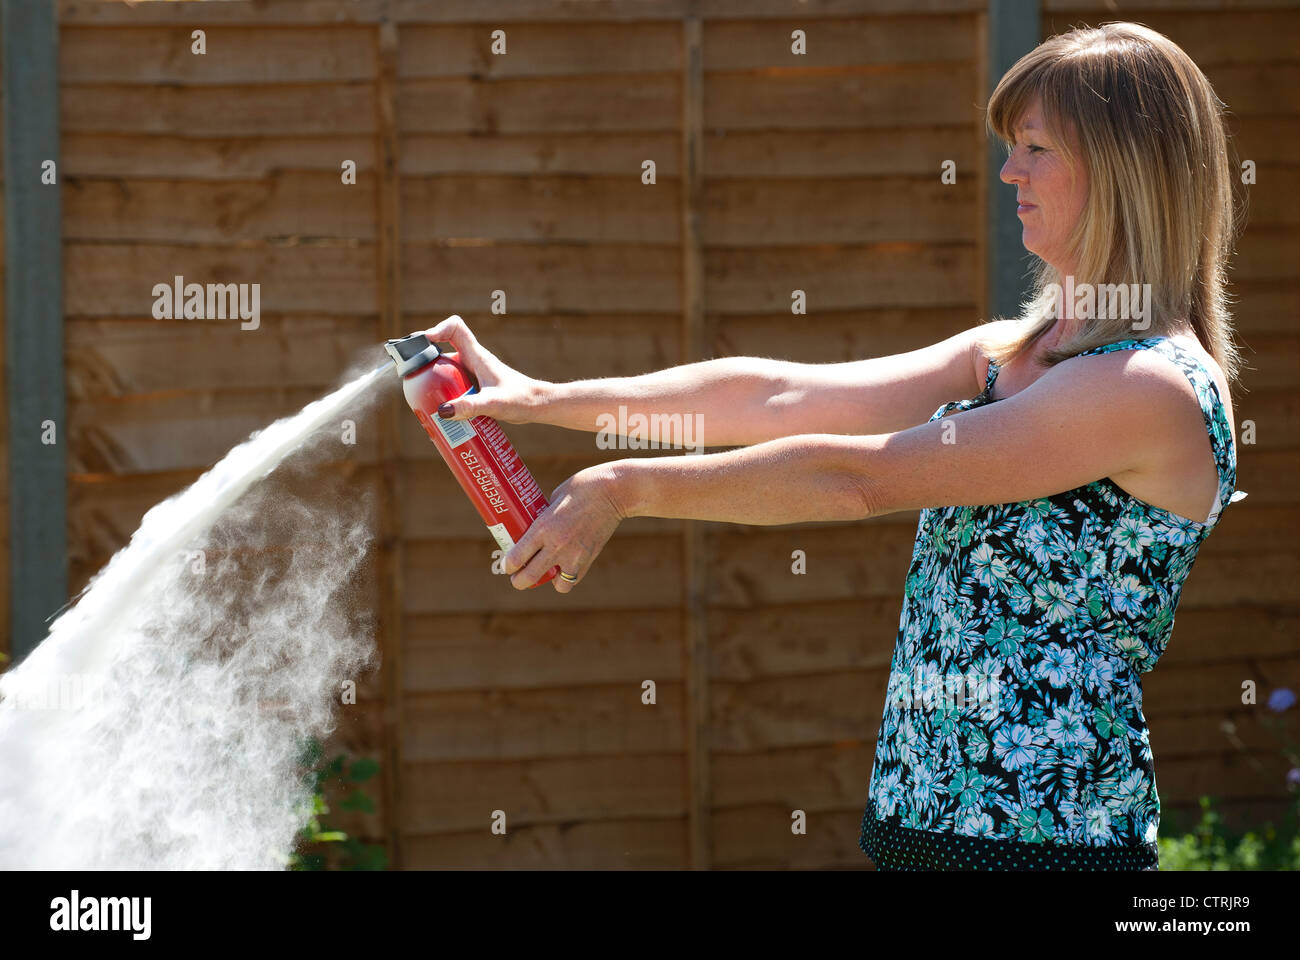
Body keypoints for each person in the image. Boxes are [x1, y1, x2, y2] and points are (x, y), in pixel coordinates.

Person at [422, 20, 1243, 871]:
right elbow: (778, 396)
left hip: (1050, 839)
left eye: (1034, 148)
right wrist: (540, 400)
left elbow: (859, 479)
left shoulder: (1147, 388)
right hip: (925, 818)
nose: (1008, 172)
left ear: (1120, 170)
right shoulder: (1014, 352)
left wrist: (626, 488)